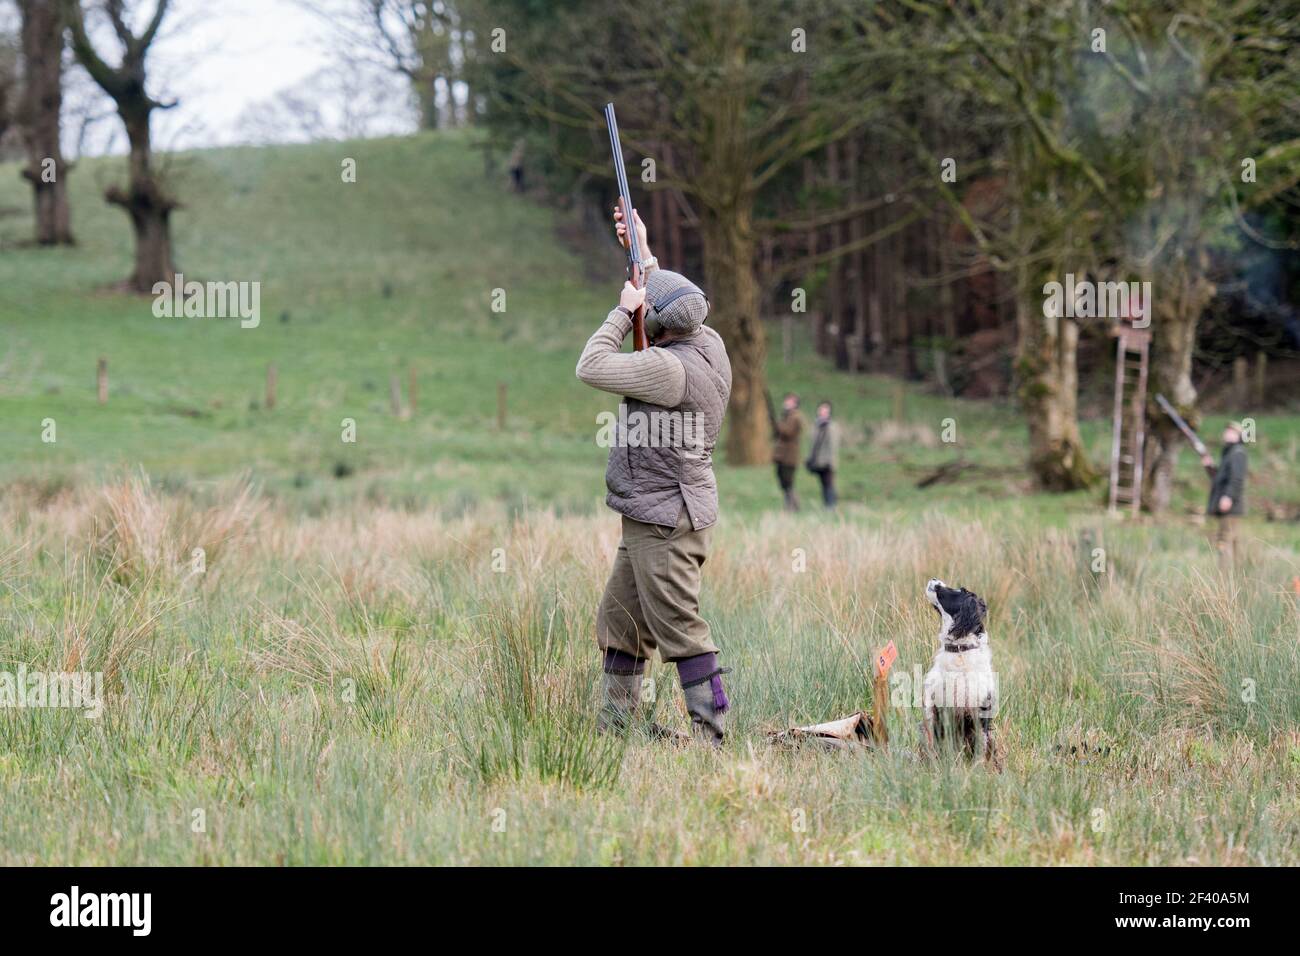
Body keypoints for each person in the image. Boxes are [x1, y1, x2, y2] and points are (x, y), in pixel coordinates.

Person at [574, 204, 733, 746]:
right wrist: (641, 249)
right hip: (656, 510)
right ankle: (620, 727)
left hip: (664, 517)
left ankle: (713, 736)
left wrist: (622, 313)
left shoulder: (665, 369)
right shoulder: (708, 342)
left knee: (680, 630)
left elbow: (590, 366)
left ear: (654, 325)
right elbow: (673, 304)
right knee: (620, 622)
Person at [1200, 421, 1248, 566]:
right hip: (1229, 506)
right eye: (1226, 430)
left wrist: (1228, 497)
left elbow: (1237, 479)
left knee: (1225, 542)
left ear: (1238, 435)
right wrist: (1209, 467)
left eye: (1231, 431)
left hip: (1231, 507)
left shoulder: (1238, 453)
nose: (1226, 433)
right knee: (1230, 543)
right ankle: (1235, 578)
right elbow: (1219, 479)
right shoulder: (1229, 453)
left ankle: (1225, 580)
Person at [805, 400, 841, 508]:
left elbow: (833, 446)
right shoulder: (816, 426)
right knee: (824, 485)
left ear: (829, 412)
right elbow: (812, 445)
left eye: (825, 411)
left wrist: (830, 462)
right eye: (821, 410)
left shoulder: (832, 427)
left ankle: (831, 506)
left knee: (829, 484)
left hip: (828, 462)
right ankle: (827, 505)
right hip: (818, 462)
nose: (823, 413)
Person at [772, 393, 804, 511]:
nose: (786, 403)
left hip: (789, 457)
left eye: (790, 401)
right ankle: (790, 505)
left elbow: (788, 432)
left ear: (795, 404)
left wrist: (777, 424)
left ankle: (792, 506)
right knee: (784, 483)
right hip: (782, 456)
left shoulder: (795, 417)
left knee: (788, 482)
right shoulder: (787, 416)